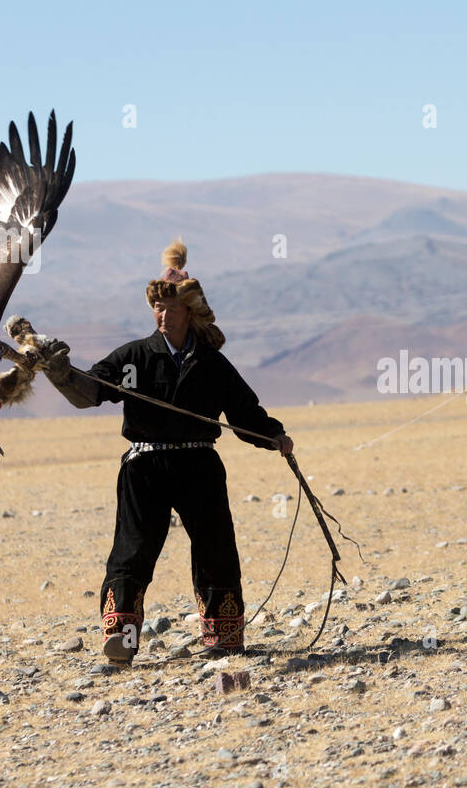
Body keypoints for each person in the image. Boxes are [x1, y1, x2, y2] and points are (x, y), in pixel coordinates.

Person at [40, 239, 293, 663]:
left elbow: (244, 412)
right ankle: (120, 638)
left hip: (199, 463)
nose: (162, 315)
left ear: (188, 313)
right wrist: (60, 373)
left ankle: (224, 636)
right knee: (133, 548)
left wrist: (275, 436)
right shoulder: (134, 356)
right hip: (145, 466)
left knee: (215, 545)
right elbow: (90, 392)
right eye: (157, 308)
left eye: (171, 309)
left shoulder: (211, 362)